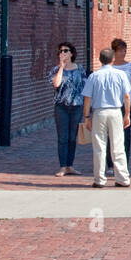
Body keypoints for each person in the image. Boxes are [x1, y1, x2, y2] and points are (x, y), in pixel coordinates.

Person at [82, 48, 131, 187]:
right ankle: (122, 178)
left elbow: (87, 98)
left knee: (99, 146)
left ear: (100, 59)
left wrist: (87, 116)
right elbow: (127, 96)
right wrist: (127, 114)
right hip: (116, 111)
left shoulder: (94, 76)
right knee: (118, 145)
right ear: (112, 59)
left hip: (99, 112)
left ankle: (99, 179)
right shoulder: (121, 75)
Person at [49, 41, 86, 176]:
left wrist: (87, 108)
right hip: (61, 107)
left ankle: (70, 165)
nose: (63, 53)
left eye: (65, 51)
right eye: (61, 51)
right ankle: (62, 166)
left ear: (71, 53)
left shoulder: (80, 69)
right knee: (62, 137)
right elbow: (56, 84)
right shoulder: (55, 70)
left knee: (72, 137)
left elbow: (84, 87)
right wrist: (61, 67)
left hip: (76, 106)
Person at [108, 38, 131, 169]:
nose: (123, 53)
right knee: (111, 133)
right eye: (120, 50)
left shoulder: (130, 67)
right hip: (112, 103)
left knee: (126, 133)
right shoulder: (109, 68)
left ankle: (124, 163)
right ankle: (111, 163)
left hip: (127, 103)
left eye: (124, 50)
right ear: (114, 51)